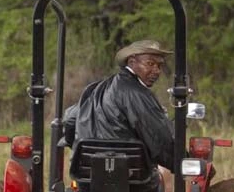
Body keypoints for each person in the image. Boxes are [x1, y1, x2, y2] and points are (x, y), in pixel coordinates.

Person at [63, 39, 175, 172]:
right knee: (165, 175)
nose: (156, 71)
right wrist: (181, 161)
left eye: (159, 66)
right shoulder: (138, 94)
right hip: (132, 178)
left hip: (87, 175)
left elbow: (69, 120)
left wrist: (83, 149)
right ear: (132, 62)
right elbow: (160, 141)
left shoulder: (97, 88)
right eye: (150, 64)